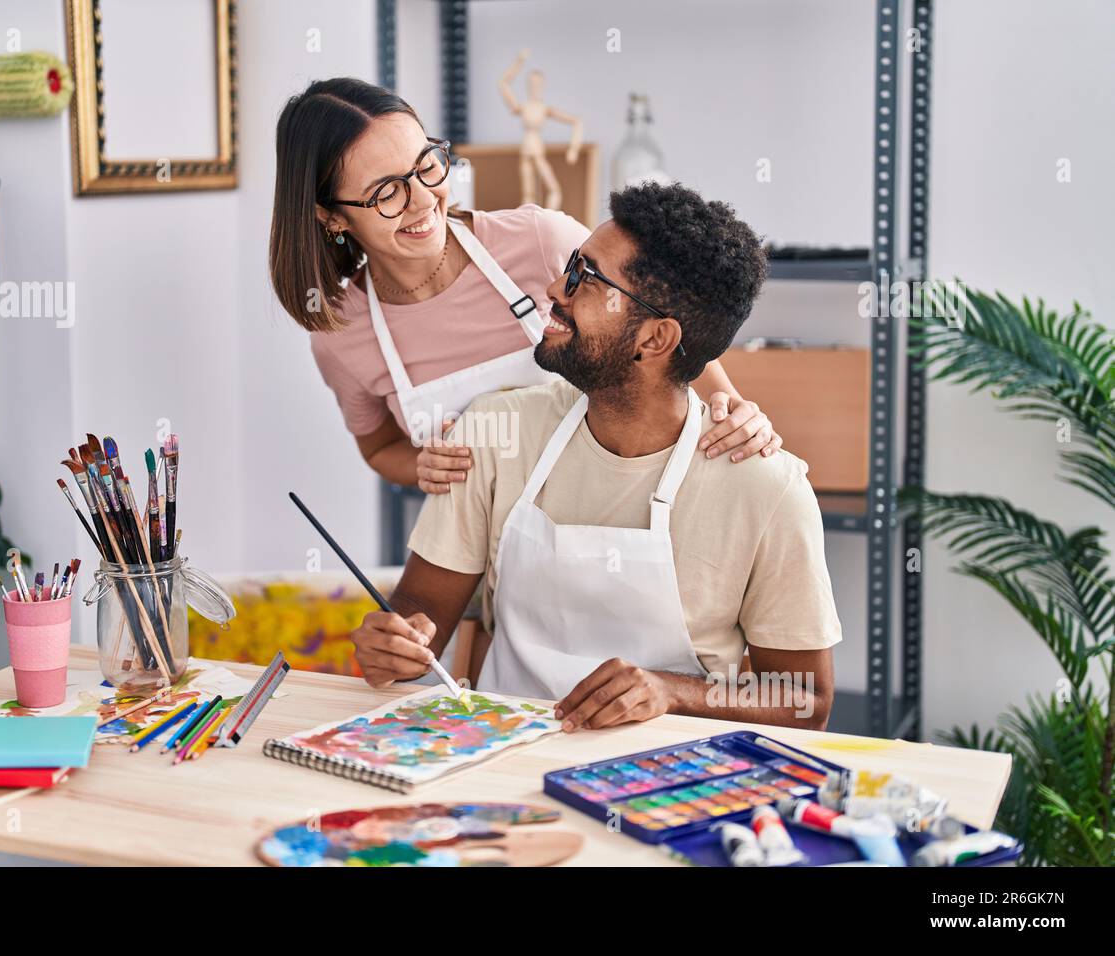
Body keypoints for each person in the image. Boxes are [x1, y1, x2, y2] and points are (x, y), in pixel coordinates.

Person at [347, 181, 840, 732]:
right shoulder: (494, 430)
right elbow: (423, 604)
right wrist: (396, 639)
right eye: (569, 266)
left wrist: (671, 692)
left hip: (664, 781)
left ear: (654, 339)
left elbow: (805, 701)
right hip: (495, 759)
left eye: (586, 279)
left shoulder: (767, 488)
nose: (555, 289)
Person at [269, 78, 782, 497]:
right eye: (386, 193)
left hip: (621, 518)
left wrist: (735, 411)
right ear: (330, 216)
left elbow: (662, 334)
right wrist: (422, 465)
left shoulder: (539, 240)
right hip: (488, 565)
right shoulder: (341, 331)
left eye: (426, 166)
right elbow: (381, 450)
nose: (424, 200)